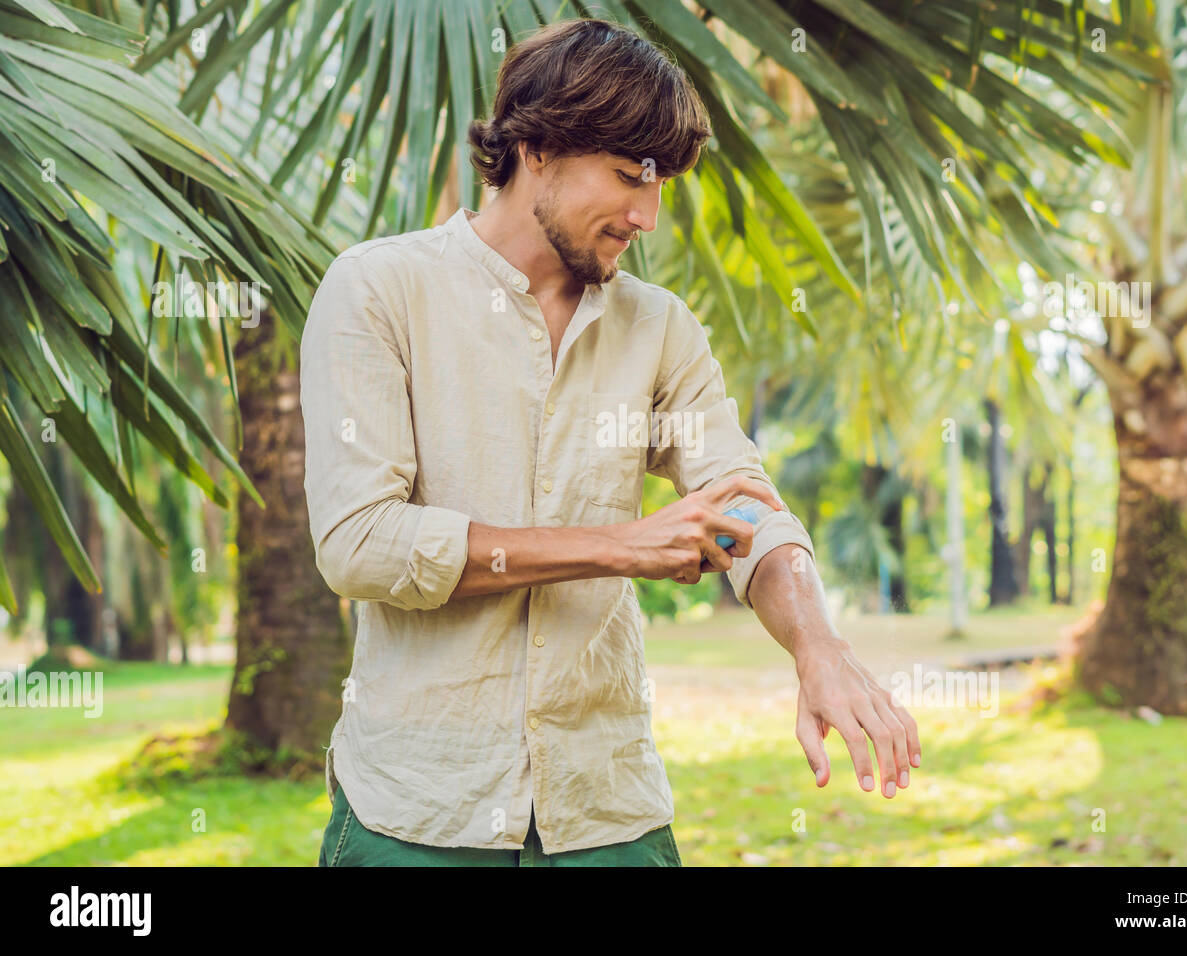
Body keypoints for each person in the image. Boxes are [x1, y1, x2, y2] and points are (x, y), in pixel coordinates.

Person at [303, 17, 920, 868]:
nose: (648, 215)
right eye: (630, 177)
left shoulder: (659, 327)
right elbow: (359, 546)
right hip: (416, 811)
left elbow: (743, 500)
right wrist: (619, 547)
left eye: (661, 185)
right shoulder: (378, 290)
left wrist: (821, 649)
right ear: (538, 147)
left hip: (606, 813)